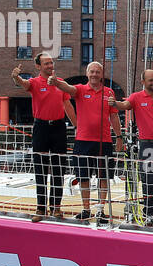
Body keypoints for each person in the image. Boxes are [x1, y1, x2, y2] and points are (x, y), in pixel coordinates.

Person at [47, 61, 124, 222]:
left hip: (104, 142)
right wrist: (56, 82)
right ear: (87, 73)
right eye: (92, 71)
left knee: (104, 177)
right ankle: (86, 208)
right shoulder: (81, 90)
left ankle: (101, 210)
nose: (95, 74)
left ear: (101, 74)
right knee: (83, 177)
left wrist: (119, 137)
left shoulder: (109, 92)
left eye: (97, 72)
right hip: (83, 141)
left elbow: (114, 116)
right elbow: (68, 88)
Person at [110, 68, 153, 225]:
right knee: (149, 181)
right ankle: (150, 214)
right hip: (148, 147)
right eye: (150, 80)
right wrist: (114, 103)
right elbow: (125, 105)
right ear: (143, 82)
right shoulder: (137, 97)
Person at [10, 52, 68, 220]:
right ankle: (41, 208)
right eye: (46, 64)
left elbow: (67, 105)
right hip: (41, 127)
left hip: (59, 127)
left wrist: (78, 126)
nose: (50, 66)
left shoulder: (61, 83)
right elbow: (24, 84)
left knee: (59, 169)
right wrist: (16, 78)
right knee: (40, 170)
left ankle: (56, 207)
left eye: (51, 63)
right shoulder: (35, 83)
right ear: (38, 66)